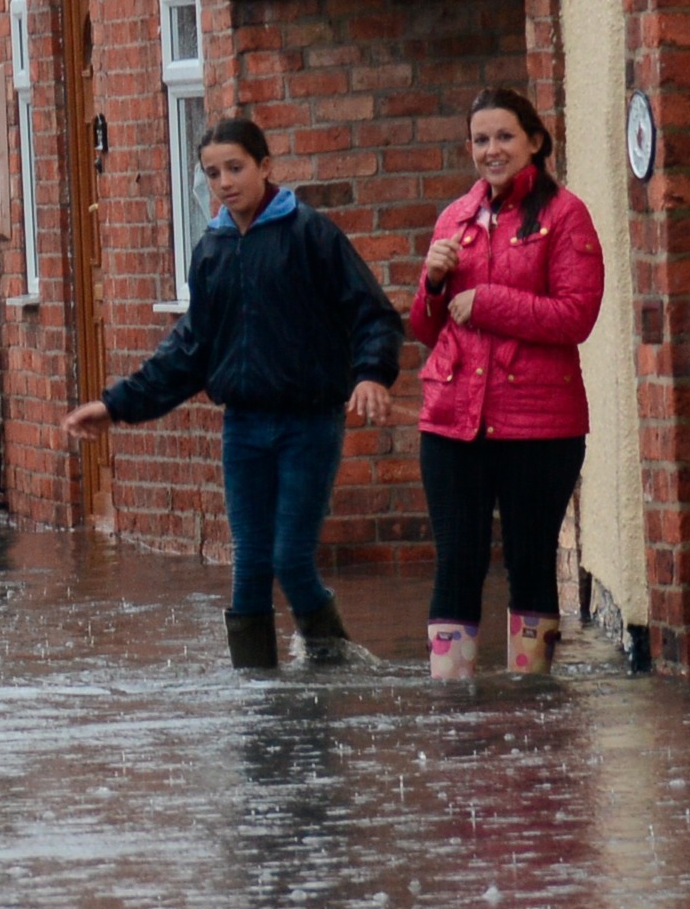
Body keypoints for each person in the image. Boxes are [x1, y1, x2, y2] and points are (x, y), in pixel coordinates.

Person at [64, 114, 403, 668]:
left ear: (265, 167)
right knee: (249, 564)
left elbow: (373, 314)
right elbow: (190, 350)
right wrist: (115, 404)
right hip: (243, 426)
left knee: (290, 557)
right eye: (212, 173)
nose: (225, 182)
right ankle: (256, 694)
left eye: (236, 168)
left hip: (309, 422)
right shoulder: (213, 250)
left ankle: (331, 655)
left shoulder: (310, 235)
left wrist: (370, 374)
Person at [407, 84, 605, 681]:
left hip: (539, 423)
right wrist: (434, 286)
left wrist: (487, 300)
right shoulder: (456, 216)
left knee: (530, 560)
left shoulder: (565, 215)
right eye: (481, 139)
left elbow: (577, 315)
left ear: (535, 142)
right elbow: (425, 327)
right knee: (457, 562)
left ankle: (533, 707)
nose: (492, 150)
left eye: (504, 137)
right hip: (452, 419)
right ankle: (450, 711)